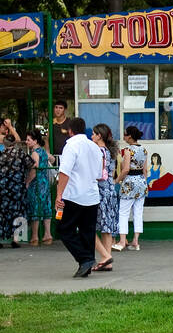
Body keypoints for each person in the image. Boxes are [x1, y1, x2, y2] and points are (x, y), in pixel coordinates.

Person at [54, 116, 101, 277]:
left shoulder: (71, 146)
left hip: (74, 195)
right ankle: (87, 262)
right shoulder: (94, 147)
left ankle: (84, 258)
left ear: (70, 130)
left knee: (64, 229)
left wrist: (59, 195)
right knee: (87, 230)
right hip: (92, 194)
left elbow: (64, 172)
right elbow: (98, 173)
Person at [0, 127, 32, 248]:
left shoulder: (0, 155)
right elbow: (30, 164)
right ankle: (16, 239)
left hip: (3, 186)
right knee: (18, 211)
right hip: (17, 186)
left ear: (4, 144)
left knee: (1, 212)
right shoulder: (20, 153)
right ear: (14, 143)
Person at [91, 123, 120, 271]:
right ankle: (107, 259)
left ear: (99, 136)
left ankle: (105, 256)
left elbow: (98, 173)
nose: (91, 136)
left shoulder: (99, 151)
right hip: (110, 189)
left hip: (100, 191)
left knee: (91, 225)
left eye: (93, 134)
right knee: (106, 227)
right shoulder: (109, 151)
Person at [114, 125, 147, 251]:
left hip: (129, 183)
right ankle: (136, 241)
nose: (124, 136)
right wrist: (143, 182)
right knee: (138, 212)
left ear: (130, 136)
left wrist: (117, 180)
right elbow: (145, 170)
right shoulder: (144, 150)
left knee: (123, 212)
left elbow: (126, 169)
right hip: (141, 182)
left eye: (125, 134)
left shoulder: (128, 151)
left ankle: (122, 241)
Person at [23, 128, 54, 246]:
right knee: (46, 207)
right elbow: (51, 158)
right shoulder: (43, 151)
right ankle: (48, 234)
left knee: (35, 207)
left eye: (28, 140)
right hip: (45, 181)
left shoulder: (34, 153)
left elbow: (34, 170)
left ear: (35, 141)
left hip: (36, 183)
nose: (27, 142)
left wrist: (27, 182)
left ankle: (35, 236)